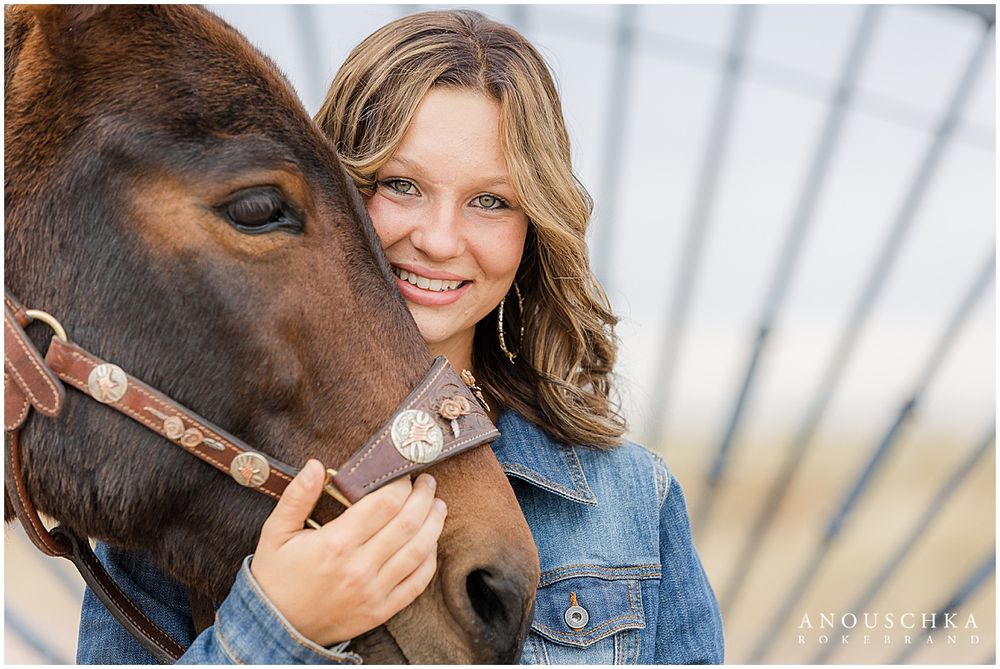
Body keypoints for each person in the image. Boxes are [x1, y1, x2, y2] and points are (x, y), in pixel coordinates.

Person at [77, 10, 724, 664]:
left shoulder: (629, 501)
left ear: (534, 226)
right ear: (331, 191)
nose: (440, 239)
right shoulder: (185, 488)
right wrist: (274, 627)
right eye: (401, 185)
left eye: (491, 200)